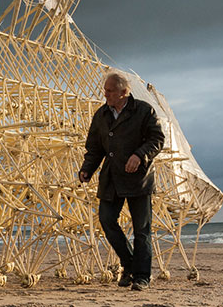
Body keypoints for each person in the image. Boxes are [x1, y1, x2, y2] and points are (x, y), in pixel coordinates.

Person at [78, 71, 164, 291]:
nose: (105, 94)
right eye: (105, 90)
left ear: (124, 92)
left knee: (141, 229)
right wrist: (87, 169)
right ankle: (129, 264)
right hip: (111, 178)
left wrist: (139, 155)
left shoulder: (144, 111)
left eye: (110, 91)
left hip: (139, 178)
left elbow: (157, 139)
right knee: (107, 220)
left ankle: (142, 277)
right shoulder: (101, 115)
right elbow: (95, 148)